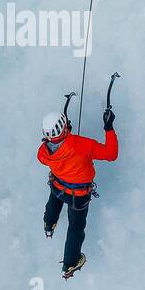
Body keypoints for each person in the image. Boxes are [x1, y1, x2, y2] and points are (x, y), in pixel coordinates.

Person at [37, 105, 118, 279]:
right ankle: (70, 263)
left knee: (54, 200)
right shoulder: (82, 145)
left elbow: (51, 151)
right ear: (64, 127)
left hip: (58, 187)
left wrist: (64, 135)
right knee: (76, 227)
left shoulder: (44, 152)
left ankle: (49, 224)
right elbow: (111, 154)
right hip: (78, 197)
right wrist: (109, 127)